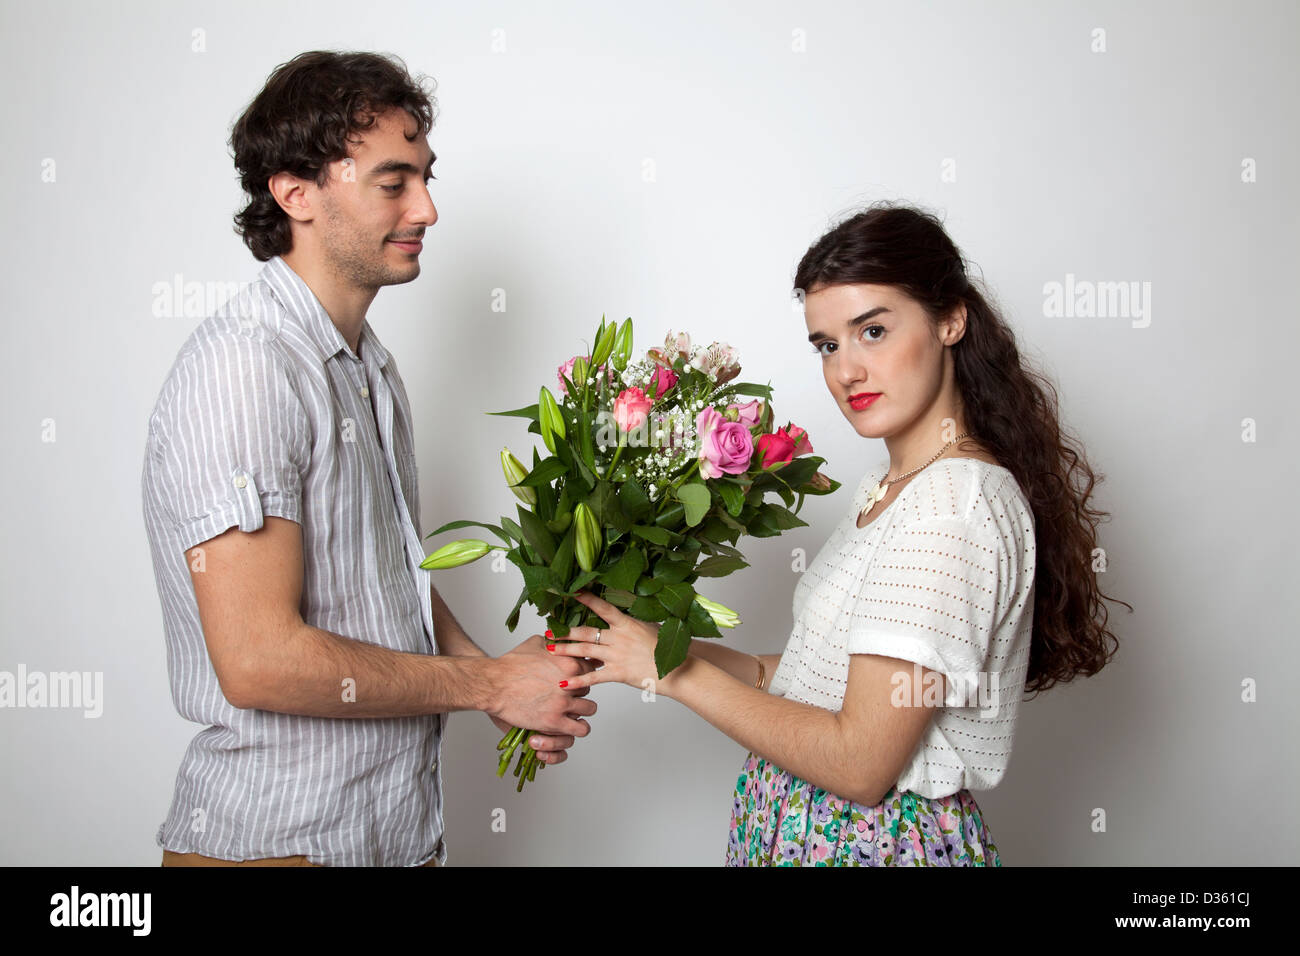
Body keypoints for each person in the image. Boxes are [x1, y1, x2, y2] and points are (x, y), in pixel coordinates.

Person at [550, 202, 1129, 866]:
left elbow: (860, 763)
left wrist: (671, 675)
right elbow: (794, 678)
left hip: (873, 848)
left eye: (873, 331)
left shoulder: (952, 506)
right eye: (827, 344)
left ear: (950, 320)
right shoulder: (892, 492)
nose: (845, 369)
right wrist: (647, 647)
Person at [140, 50, 594, 867]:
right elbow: (257, 660)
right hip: (276, 847)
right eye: (394, 182)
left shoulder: (370, 367)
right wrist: (487, 686)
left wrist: (498, 681)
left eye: (425, 176)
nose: (427, 205)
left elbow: (391, 580)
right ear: (296, 192)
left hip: (393, 840)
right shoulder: (248, 367)